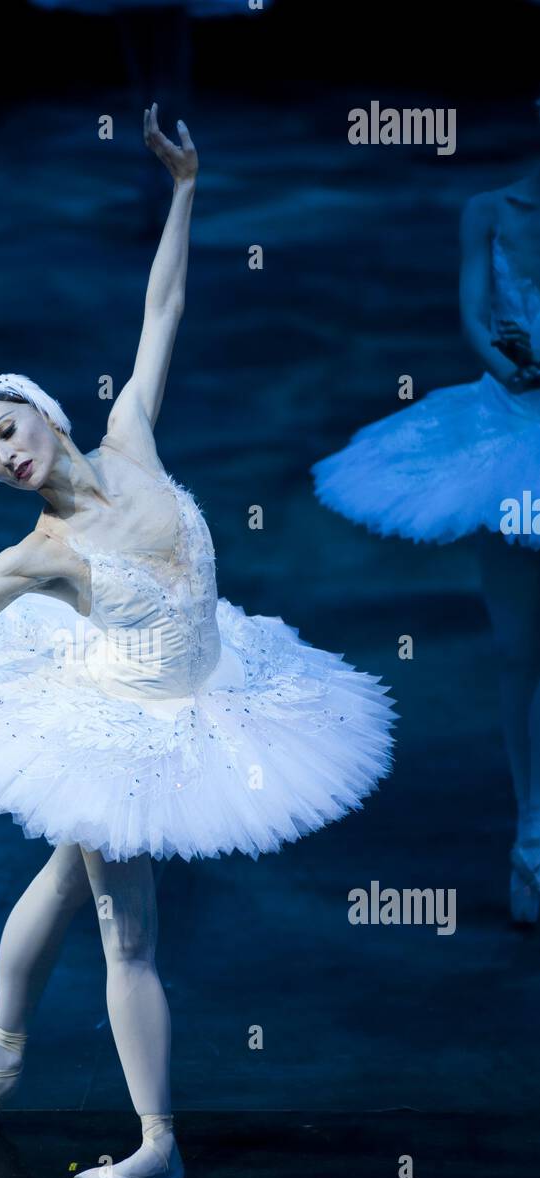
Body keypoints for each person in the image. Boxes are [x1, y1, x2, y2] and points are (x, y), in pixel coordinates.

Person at [0, 107, 395, 1178]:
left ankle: (3, 1049)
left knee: (61, 877)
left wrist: (188, 184)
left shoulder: (132, 436)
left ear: (46, 414)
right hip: (123, 727)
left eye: (6, 427)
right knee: (129, 934)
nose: (2, 453)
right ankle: (158, 1139)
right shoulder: (40, 557)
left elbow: (163, 306)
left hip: (219, 686)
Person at [312, 100, 540, 925]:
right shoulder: (487, 210)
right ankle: (530, 844)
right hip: (506, 434)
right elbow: (476, 318)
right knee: (519, 652)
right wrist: (510, 363)